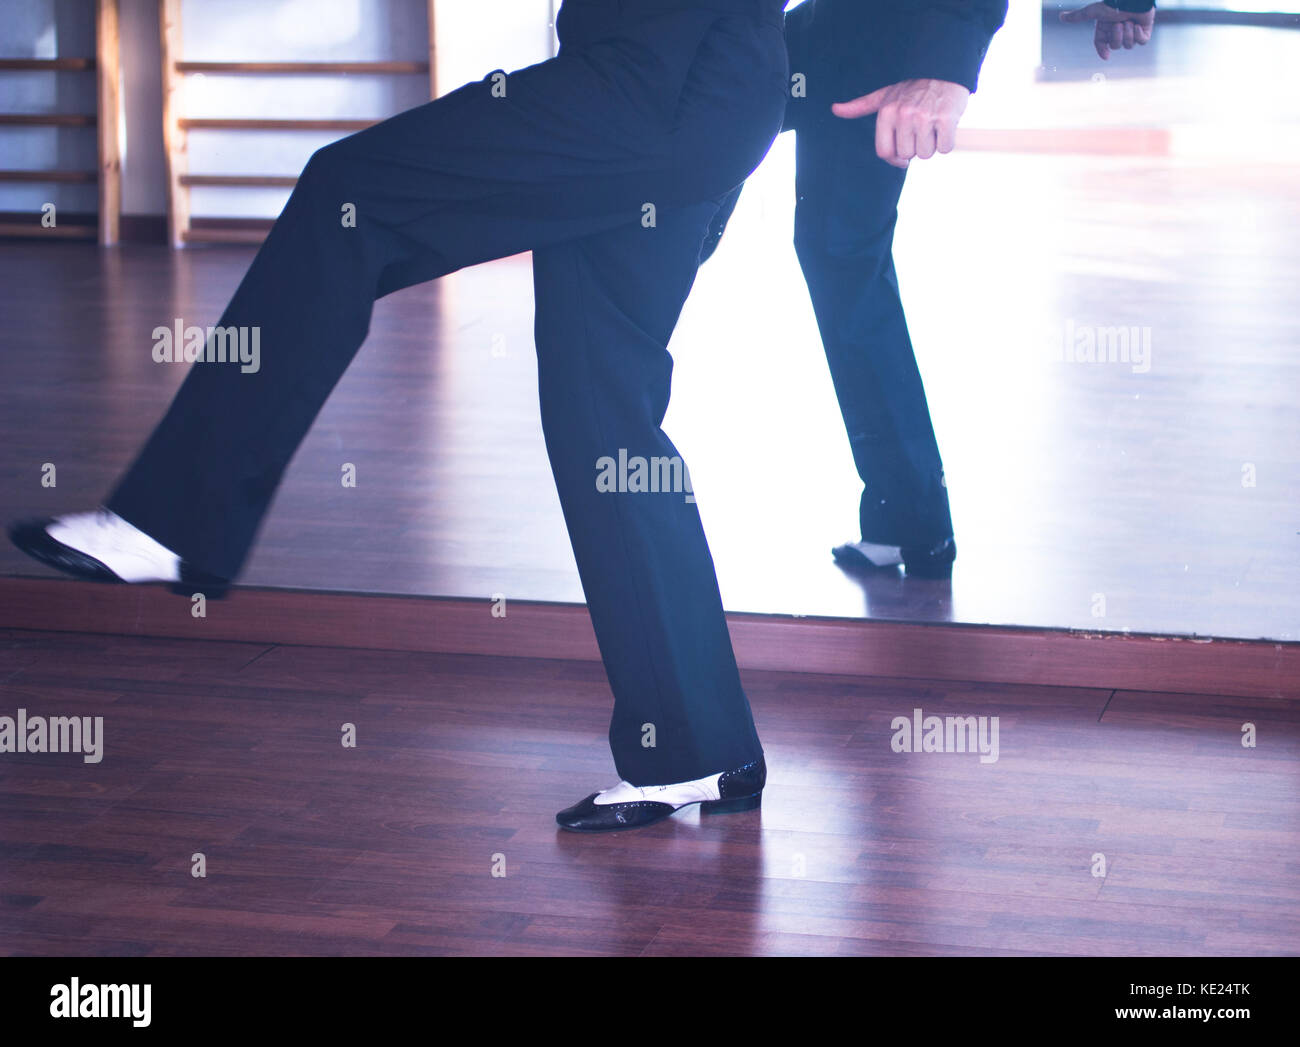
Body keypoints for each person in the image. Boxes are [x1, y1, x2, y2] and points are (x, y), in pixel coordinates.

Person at [10, 0, 790, 833]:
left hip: (646, 84)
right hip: (708, 96)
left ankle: (173, 518)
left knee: (351, 195)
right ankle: (695, 747)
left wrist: (920, 59)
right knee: (604, 411)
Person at [700, 0, 1155, 578]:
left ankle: (908, 512)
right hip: (817, 30)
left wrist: (948, 57)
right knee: (831, 246)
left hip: (880, 34)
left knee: (836, 246)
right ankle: (908, 515)